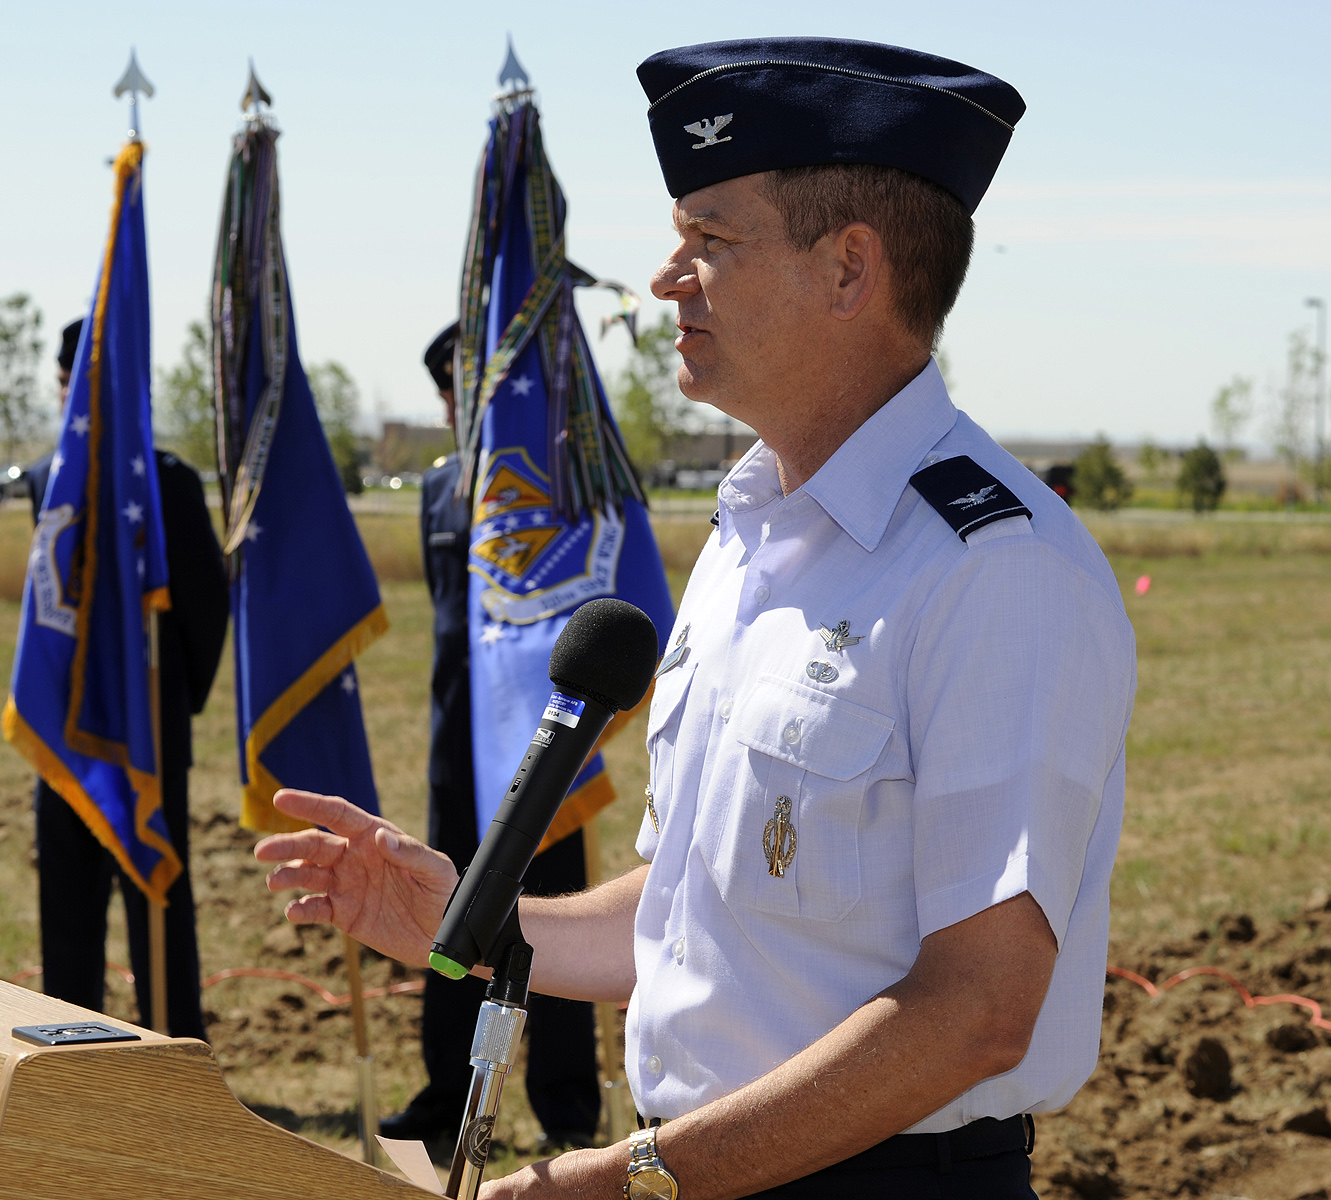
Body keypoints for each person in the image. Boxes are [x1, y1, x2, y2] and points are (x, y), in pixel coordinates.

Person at [257, 38, 1136, 1200]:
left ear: (849, 269)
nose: (668, 279)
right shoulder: (750, 534)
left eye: (711, 240)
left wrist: (637, 1179)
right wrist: (478, 921)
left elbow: (977, 1009)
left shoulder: (995, 570)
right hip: (699, 1167)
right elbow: (698, 912)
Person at [376, 324, 600, 1154]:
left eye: (462, 389)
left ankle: (567, 1109)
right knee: (451, 915)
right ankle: (447, 1092)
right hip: (456, 742)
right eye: (444, 393)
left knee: (558, 915)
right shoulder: (441, 487)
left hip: (541, 741)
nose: (451, 406)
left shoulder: (551, 484)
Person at [28, 317, 230, 1038]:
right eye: (64, 384)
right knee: (66, 905)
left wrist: (174, 703)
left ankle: (173, 1053)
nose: (70, 397)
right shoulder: (47, 481)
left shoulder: (167, 482)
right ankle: (68, 1056)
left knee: (158, 903)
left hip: (147, 729)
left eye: (81, 384)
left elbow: (207, 605)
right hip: (62, 727)